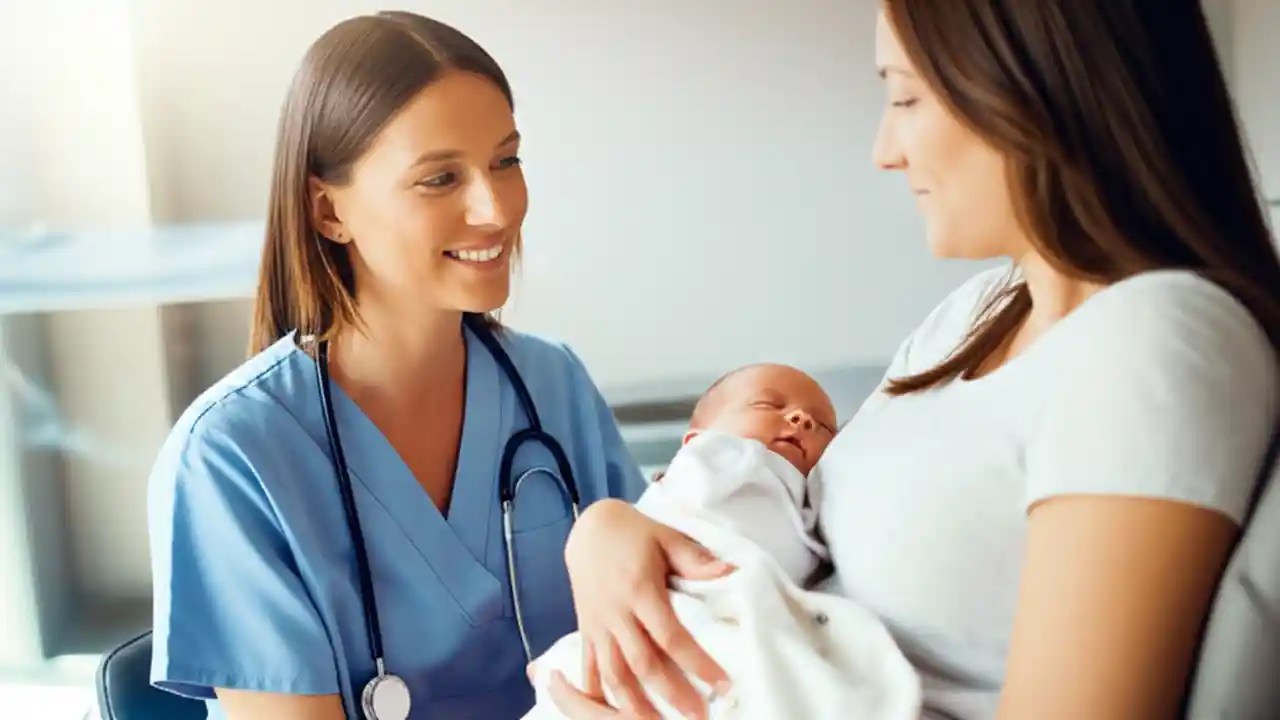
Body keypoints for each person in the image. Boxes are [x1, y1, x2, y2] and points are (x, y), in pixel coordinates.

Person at [548, 2, 1280, 719]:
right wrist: (611, 533)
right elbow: (800, 525)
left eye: (905, 96)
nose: (885, 150)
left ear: (1035, 88)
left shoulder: (1157, 340)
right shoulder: (976, 314)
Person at [146, 12, 645, 720]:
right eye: (440, 178)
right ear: (328, 211)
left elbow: (669, 638)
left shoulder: (553, 387)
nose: (495, 208)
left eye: (506, 160)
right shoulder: (231, 457)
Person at [525, 364, 924, 720]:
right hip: (674, 610)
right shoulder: (714, 464)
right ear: (693, 440)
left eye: (823, 428)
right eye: (768, 405)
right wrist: (602, 523)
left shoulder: (821, 506)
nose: (801, 419)